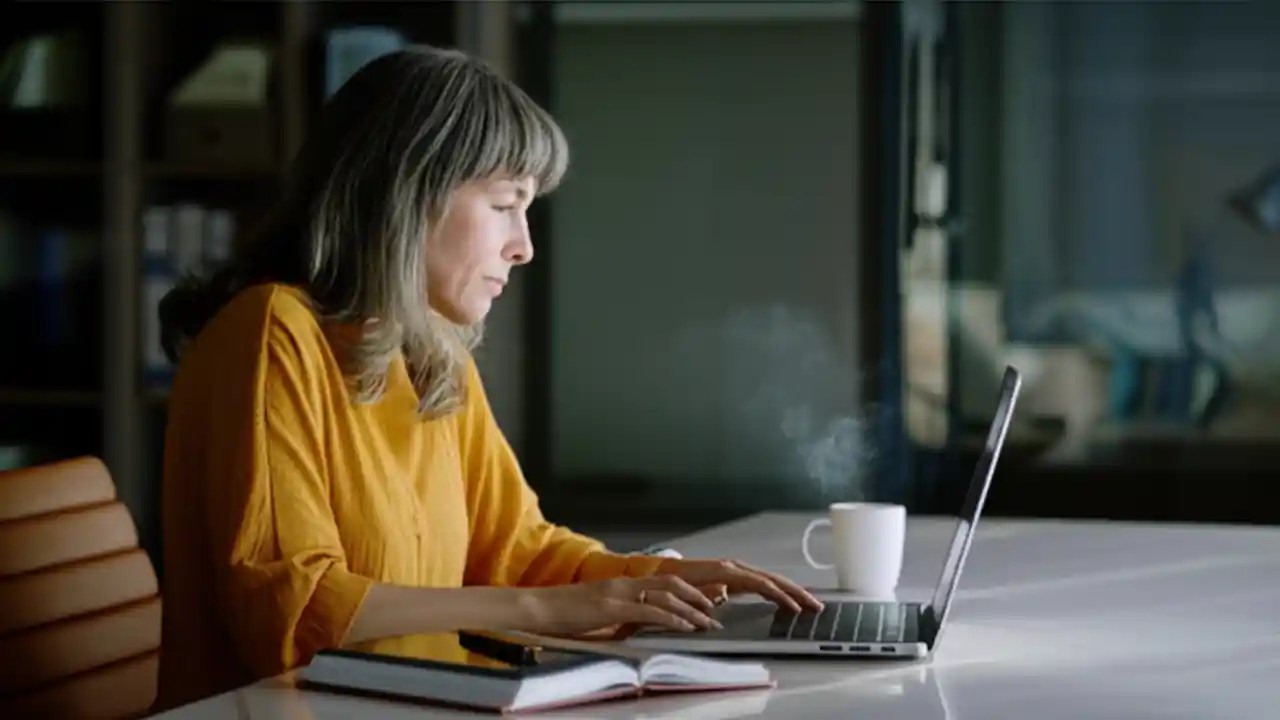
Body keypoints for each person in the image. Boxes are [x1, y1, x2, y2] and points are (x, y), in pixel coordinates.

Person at [153, 46, 821, 711]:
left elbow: (517, 551)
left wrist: (657, 582)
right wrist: (552, 607)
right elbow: (292, 610)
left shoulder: (433, 355)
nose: (523, 245)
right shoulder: (274, 333)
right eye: (506, 204)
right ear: (408, 194)